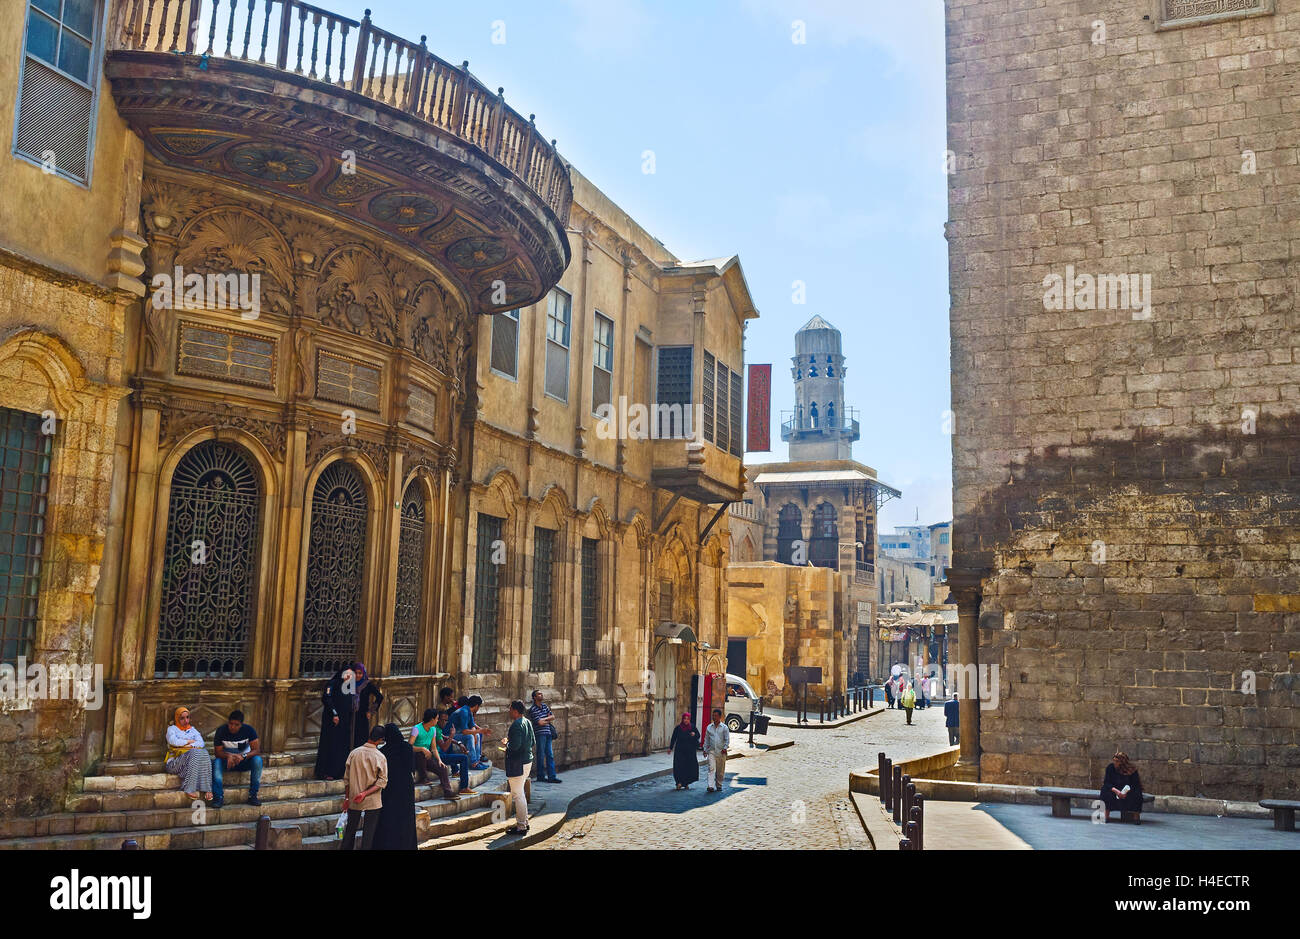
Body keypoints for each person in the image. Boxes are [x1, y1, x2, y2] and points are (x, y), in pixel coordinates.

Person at [314, 664, 382, 780]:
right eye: (347, 674)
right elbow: (327, 698)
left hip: (345, 722)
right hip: (333, 721)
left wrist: (369, 711)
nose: (348, 677)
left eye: (351, 675)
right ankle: (326, 772)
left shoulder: (349, 686)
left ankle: (339, 771)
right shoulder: (333, 683)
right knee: (331, 745)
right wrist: (334, 713)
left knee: (342, 746)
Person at [341, 725, 388, 850]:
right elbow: (382, 781)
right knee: (368, 834)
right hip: (372, 800)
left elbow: (346, 780)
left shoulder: (354, 753)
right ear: (380, 740)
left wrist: (347, 798)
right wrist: (366, 793)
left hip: (354, 797)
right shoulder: (380, 756)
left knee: (350, 831)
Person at [372, 723, 417, 850]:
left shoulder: (383, 752)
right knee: (405, 818)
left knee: (389, 817)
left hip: (389, 788)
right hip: (405, 787)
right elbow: (411, 767)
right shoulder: (407, 747)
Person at [212, 709, 263, 808]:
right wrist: (229, 756)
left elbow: (257, 750)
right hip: (228, 762)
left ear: (241, 725)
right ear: (228, 722)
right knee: (216, 762)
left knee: (257, 760)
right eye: (231, 724)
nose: (233, 727)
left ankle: (253, 795)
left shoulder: (249, 730)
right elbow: (217, 753)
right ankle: (218, 797)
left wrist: (243, 756)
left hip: (244, 761)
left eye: (236, 725)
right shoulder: (221, 730)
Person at [410, 708, 458, 801]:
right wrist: (422, 749)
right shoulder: (417, 729)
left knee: (443, 768)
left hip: (427, 757)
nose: (437, 720)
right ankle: (423, 778)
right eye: (436, 718)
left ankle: (447, 792)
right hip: (416, 757)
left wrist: (439, 760)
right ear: (432, 719)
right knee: (421, 753)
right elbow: (409, 746)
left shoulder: (433, 730)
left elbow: (434, 748)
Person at [165, 706, 213, 800]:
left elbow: (201, 743)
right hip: (174, 764)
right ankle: (189, 788)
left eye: (187, 717)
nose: (186, 720)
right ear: (177, 718)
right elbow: (173, 741)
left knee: (204, 752)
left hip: (189, 763)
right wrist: (189, 741)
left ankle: (207, 788)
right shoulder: (172, 729)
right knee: (194, 752)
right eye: (182, 718)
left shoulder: (192, 730)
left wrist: (187, 745)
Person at [504, 700, 535, 835]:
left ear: (515, 711)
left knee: (518, 794)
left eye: (510, 709)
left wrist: (506, 745)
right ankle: (524, 822)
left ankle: (521, 826)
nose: (509, 711)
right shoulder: (527, 721)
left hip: (518, 762)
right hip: (527, 760)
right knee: (520, 792)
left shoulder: (517, 725)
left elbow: (515, 746)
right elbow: (532, 741)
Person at [435, 709, 474, 795]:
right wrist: (452, 735)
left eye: (446, 720)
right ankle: (464, 787)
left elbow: (444, 737)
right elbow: (444, 748)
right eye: (443, 720)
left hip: (439, 753)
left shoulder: (437, 728)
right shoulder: (436, 729)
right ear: (437, 719)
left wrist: (459, 743)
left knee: (450, 745)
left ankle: (455, 771)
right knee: (463, 758)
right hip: (437, 756)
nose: (445, 723)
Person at [1100, 750, 1145, 823]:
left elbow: (1135, 784)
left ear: (1123, 762)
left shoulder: (1131, 770)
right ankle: (1106, 816)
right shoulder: (1110, 768)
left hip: (1128, 790)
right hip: (1115, 789)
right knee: (1105, 790)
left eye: (1117, 761)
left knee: (1137, 792)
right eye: (1114, 760)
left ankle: (1136, 817)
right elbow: (1107, 782)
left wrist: (1125, 792)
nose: (1115, 763)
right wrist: (1117, 791)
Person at [527, 689, 561, 783]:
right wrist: (547, 719)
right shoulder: (533, 709)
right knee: (541, 755)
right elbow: (539, 722)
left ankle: (552, 776)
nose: (541, 695)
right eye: (539, 694)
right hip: (540, 734)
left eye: (541, 694)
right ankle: (540, 776)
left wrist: (545, 719)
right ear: (534, 697)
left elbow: (552, 717)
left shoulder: (545, 706)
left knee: (550, 755)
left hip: (548, 733)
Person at [451, 694, 492, 770]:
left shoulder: (468, 711)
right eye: (479, 706)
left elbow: (472, 725)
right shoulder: (464, 711)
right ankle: (473, 763)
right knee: (470, 737)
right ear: (476, 706)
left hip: (458, 734)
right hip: (451, 736)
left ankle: (477, 760)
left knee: (477, 735)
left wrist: (477, 733)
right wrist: (480, 731)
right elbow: (464, 731)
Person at [668, 712, 700, 790]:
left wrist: (694, 734)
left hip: (690, 751)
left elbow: (698, 735)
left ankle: (686, 783)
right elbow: (673, 738)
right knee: (679, 766)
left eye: (687, 719)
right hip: (680, 751)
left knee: (688, 766)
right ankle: (679, 783)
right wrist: (670, 748)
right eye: (684, 719)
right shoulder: (678, 728)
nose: (686, 720)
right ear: (682, 719)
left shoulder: (692, 727)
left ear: (689, 720)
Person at [702, 708, 730, 794]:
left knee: (720, 770)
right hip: (712, 751)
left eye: (716, 716)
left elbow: (727, 739)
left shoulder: (724, 728)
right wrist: (705, 749)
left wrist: (725, 748)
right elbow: (706, 739)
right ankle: (710, 786)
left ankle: (719, 785)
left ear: (720, 717)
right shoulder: (709, 727)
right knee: (711, 768)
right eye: (713, 716)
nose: (714, 717)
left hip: (721, 752)